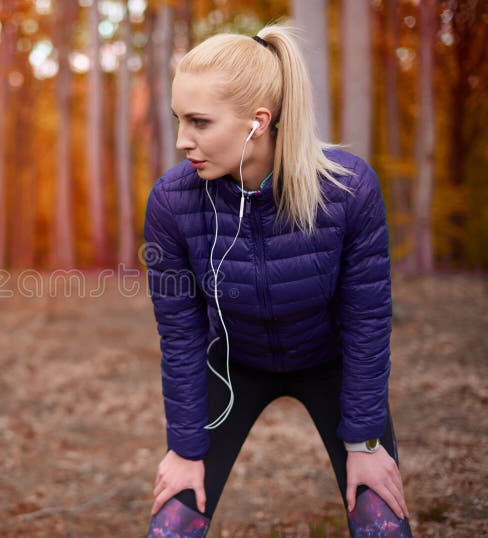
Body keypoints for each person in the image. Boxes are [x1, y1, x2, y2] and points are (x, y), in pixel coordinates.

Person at [142, 24, 413, 537]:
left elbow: (367, 321)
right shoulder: (171, 202)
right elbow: (180, 334)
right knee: (172, 520)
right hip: (232, 367)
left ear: (258, 122)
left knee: (380, 518)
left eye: (200, 122)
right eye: (180, 119)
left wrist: (364, 443)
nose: (182, 141)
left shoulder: (348, 190)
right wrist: (183, 448)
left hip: (330, 365)